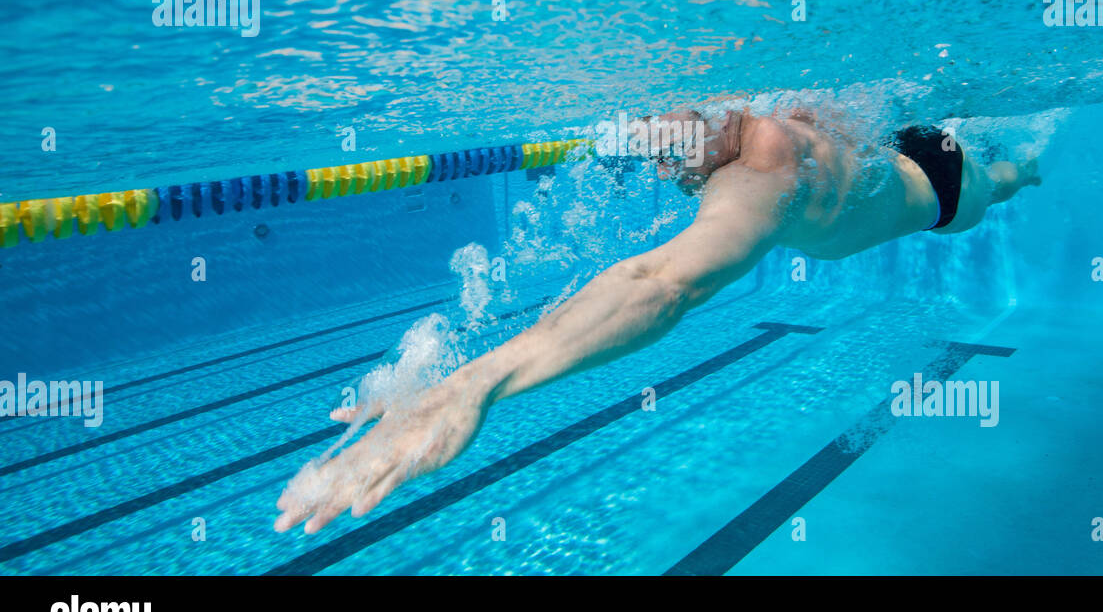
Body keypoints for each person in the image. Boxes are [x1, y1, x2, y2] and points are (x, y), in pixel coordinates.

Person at [274, 106, 1041, 534]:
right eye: (652, 147)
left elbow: (660, 283)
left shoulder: (759, 170)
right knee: (969, 147)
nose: (663, 162)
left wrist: (479, 382)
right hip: (888, 141)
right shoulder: (750, 130)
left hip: (936, 186)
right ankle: (993, 140)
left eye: (667, 145)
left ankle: (1035, 156)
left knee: (1003, 182)